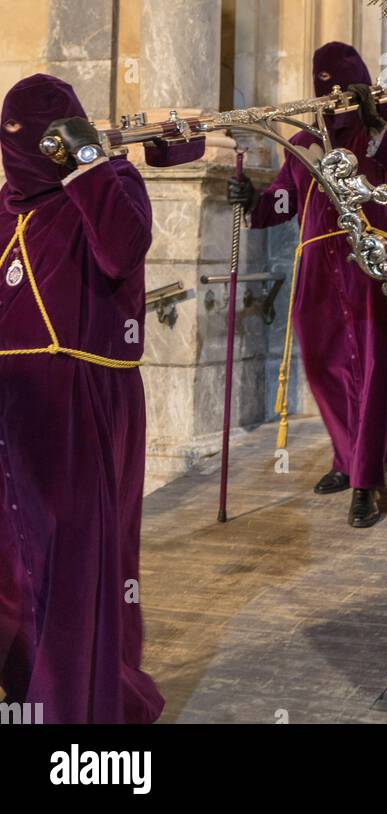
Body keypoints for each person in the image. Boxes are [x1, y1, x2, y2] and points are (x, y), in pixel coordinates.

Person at [0, 74, 201, 723]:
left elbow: (121, 250)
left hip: (79, 404)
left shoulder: (108, 183)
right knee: (13, 567)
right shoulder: (6, 205)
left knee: (74, 558)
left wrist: (89, 161)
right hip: (11, 407)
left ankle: (69, 705)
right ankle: (24, 684)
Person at [230, 43, 387, 528]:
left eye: (342, 83)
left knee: (374, 369)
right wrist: (251, 202)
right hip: (318, 267)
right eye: (323, 84)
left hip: (377, 259)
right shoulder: (309, 136)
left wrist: (376, 125)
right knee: (326, 368)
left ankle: (366, 482)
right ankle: (345, 459)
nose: (332, 93)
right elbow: (283, 203)